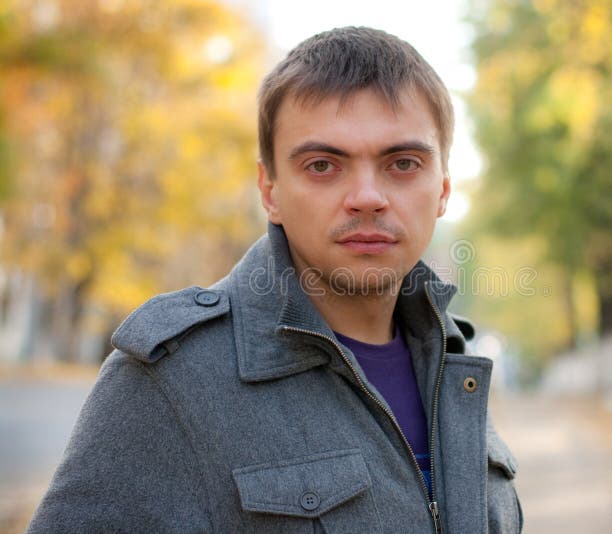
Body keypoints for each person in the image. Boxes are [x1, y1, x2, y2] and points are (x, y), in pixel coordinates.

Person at [28, 26, 522, 533]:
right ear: (271, 191)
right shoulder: (172, 381)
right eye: (324, 165)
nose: (368, 196)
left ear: (441, 188)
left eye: (402, 163)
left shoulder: (453, 361)